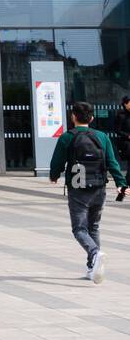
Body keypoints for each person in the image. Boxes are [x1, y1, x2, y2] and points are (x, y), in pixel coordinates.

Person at [50, 101, 127, 282]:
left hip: (78, 188)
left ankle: (94, 254)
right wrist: (121, 183)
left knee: (79, 229)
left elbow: (57, 162)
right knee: (93, 227)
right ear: (91, 118)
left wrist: (54, 176)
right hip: (99, 187)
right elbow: (112, 161)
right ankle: (92, 267)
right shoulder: (101, 136)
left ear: (73, 117)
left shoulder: (67, 137)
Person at [114, 97, 130, 202]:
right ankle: (123, 191)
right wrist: (128, 136)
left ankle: (122, 192)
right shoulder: (121, 116)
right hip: (127, 144)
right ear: (125, 104)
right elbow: (117, 130)